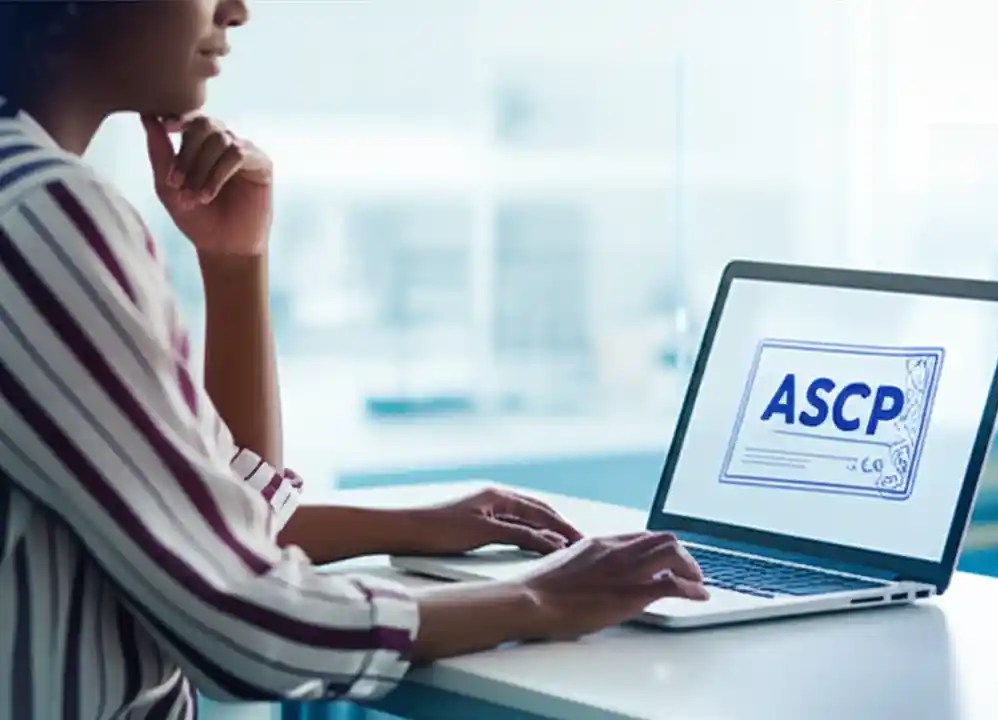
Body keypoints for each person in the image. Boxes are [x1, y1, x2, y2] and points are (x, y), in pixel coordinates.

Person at [0, 1, 708, 717]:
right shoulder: (41, 214)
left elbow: (220, 515)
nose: (237, 11)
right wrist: (540, 596)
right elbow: (248, 630)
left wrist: (235, 261)